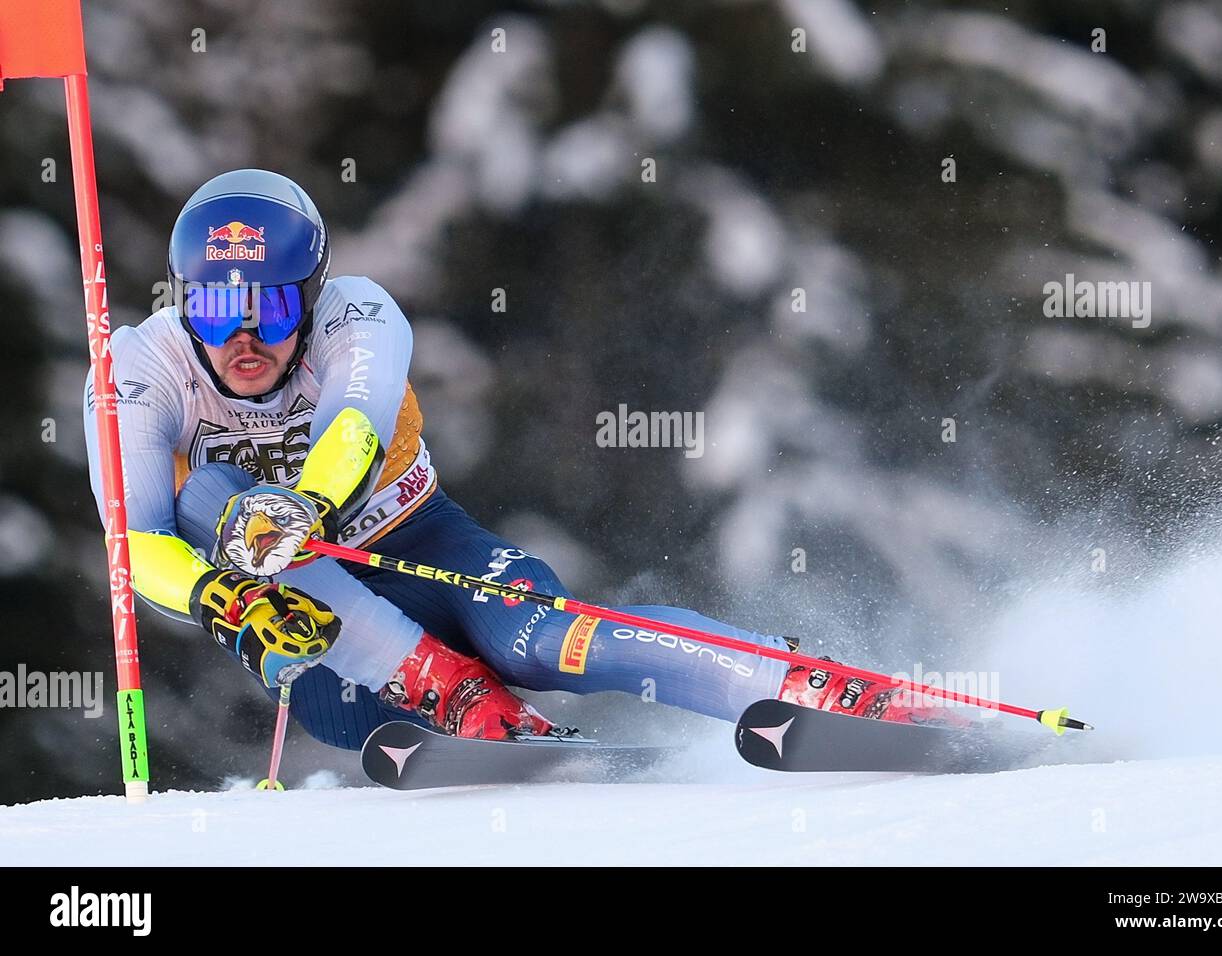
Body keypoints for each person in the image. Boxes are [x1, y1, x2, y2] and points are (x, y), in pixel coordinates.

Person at [84, 169, 948, 747]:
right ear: (182, 299)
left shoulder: (359, 315)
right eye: (213, 311)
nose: (242, 339)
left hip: (420, 541)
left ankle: (800, 683)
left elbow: (353, 429)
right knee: (214, 505)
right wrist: (217, 595)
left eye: (270, 312)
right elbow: (134, 544)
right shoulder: (136, 371)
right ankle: (434, 688)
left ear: (310, 297)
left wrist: (304, 509)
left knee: (542, 641)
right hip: (321, 630)